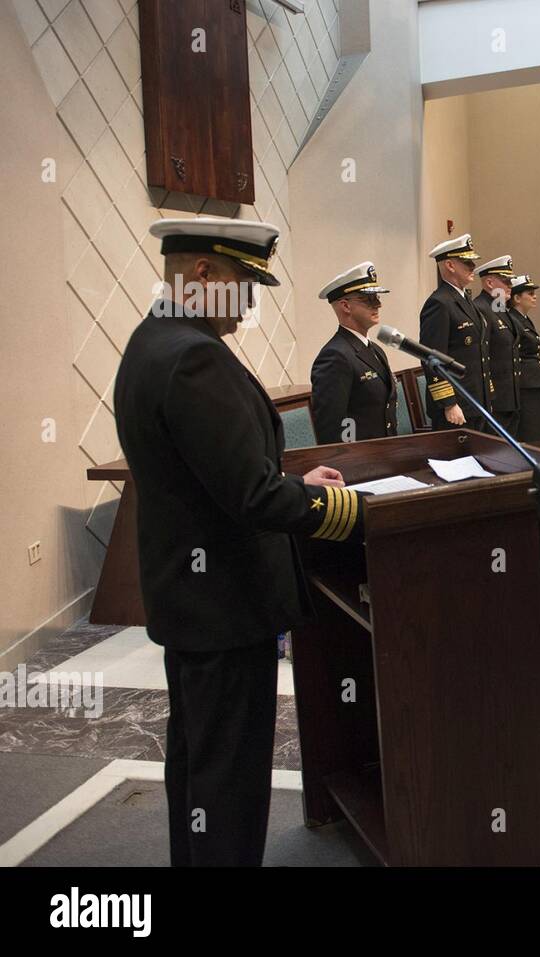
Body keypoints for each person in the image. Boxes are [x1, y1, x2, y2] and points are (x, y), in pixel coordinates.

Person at [114, 219, 365, 866]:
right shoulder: (193, 355)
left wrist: (291, 479)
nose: (252, 300)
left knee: (200, 769)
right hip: (224, 607)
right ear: (202, 274)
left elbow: (218, 475)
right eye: (244, 282)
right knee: (228, 785)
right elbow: (251, 498)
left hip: (193, 603)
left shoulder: (154, 340)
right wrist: (348, 508)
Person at [310, 262, 397, 445]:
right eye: (369, 300)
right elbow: (332, 427)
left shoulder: (375, 349)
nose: (378, 305)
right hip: (361, 463)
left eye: (377, 298)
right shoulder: (335, 356)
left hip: (384, 454)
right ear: (345, 306)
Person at [420, 234, 492, 431]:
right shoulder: (439, 303)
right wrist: (449, 403)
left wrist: (487, 392)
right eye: (467, 262)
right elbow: (432, 358)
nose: (473, 267)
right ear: (450, 266)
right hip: (456, 407)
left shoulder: (466, 300)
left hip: (475, 400)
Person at [475, 255, 522, 435]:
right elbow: (483, 354)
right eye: (505, 280)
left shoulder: (498, 307)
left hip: (509, 394)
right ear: (489, 282)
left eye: (510, 280)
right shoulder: (481, 308)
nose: (510, 285)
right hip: (496, 396)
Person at [510, 274, 540, 445]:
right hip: (524, 381)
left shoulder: (523, 318)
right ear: (517, 298)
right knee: (528, 430)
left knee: (535, 429)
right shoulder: (513, 319)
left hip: (532, 380)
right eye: (530, 293)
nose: (535, 297)